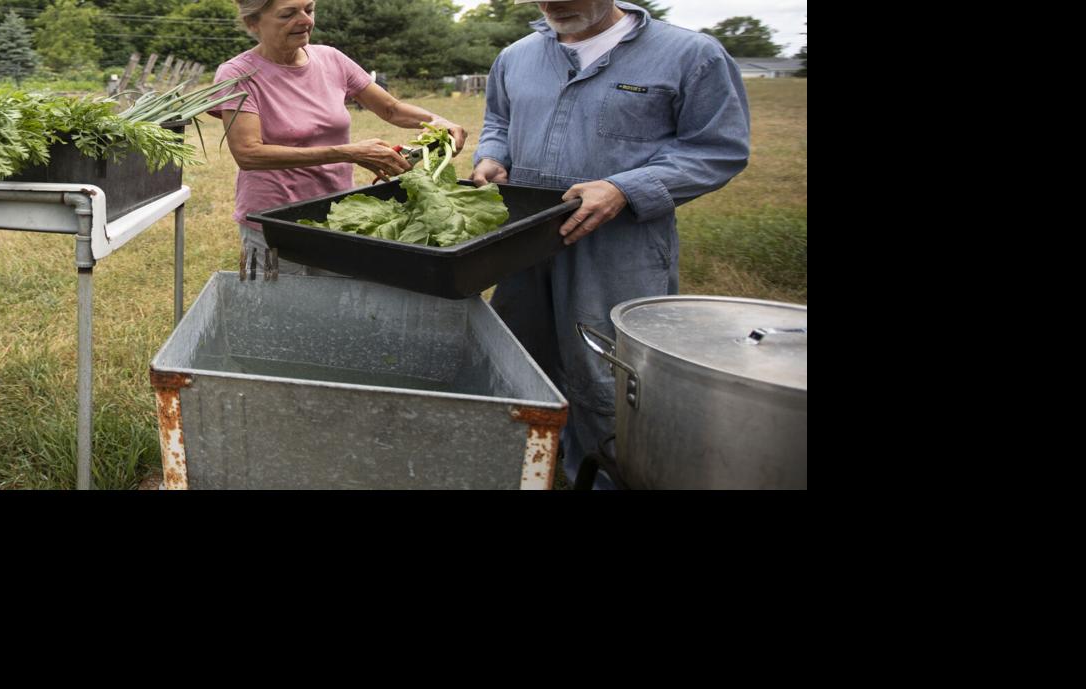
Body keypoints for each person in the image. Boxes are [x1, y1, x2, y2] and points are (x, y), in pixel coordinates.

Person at [471, 0, 750, 486]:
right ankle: (524, 468)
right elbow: (498, 121)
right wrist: (493, 156)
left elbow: (718, 149)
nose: (554, 4)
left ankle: (606, 477)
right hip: (522, 243)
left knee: (608, 381)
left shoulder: (691, 54)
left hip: (619, 250)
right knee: (517, 361)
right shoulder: (515, 56)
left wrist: (625, 188)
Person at [210, 0, 469, 274]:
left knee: (336, 303)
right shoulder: (238, 74)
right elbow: (248, 154)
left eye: (309, 10)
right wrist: (349, 152)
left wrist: (435, 121)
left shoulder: (331, 59)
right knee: (272, 306)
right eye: (287, 14)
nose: (305, 21)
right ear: (253, 23)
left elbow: (391, 109)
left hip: (337, 214)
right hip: (273, 224)